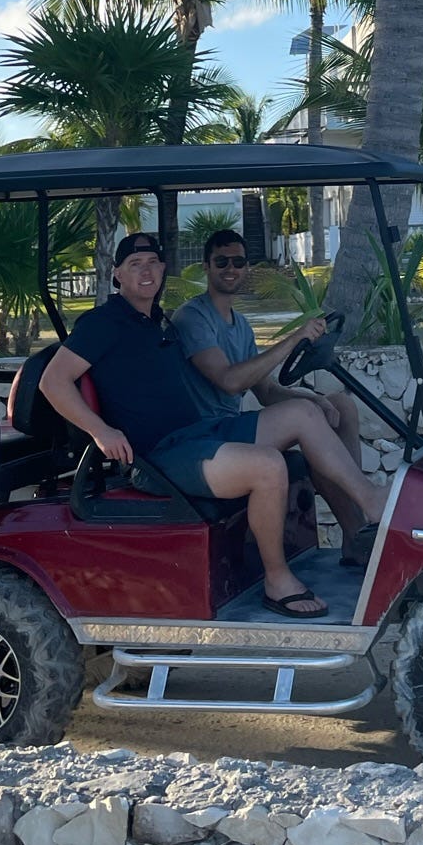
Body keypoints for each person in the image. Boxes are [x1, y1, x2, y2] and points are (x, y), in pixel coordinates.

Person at [39, 232, 385, 621]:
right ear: (117, 274)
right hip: (159, 455)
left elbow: (264, 390)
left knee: (306, 415)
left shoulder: (158, 321)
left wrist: (317, 398)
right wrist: (101, 431)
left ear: (164, 268)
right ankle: (277, 579)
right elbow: (53, 381)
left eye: (153, 262)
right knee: (267, 465)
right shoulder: (103, 322)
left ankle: (368, 503)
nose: (146, 271)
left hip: (198, 433)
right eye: (135, 265)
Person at [173, 228, 371, 565]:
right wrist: (293, 340)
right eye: (221, 261)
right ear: (206, 266)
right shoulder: (193, 318)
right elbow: (229, 381)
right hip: (206, 434)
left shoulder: (241, 326)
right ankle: (365, 511)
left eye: (238, 261)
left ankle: (357, 530)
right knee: (304, 419)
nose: (230, 269)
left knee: (339, 406)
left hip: (230, 428)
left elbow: (265, 391)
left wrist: (314, 400)